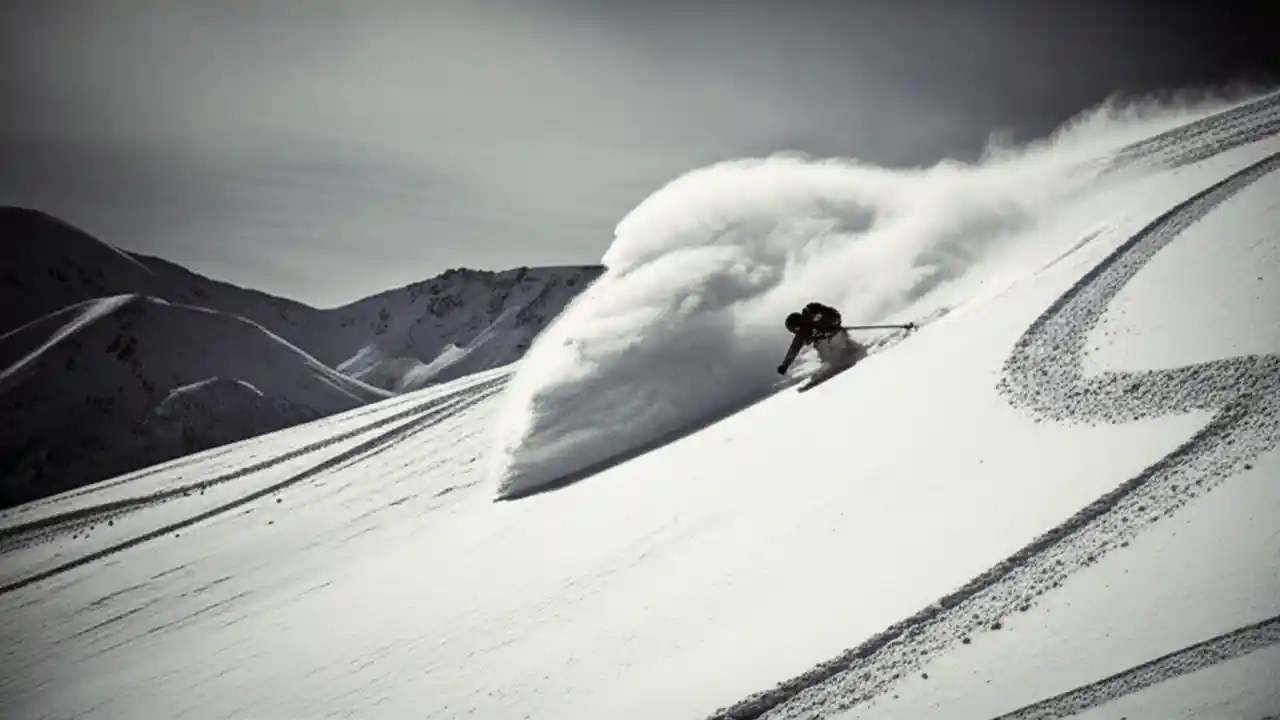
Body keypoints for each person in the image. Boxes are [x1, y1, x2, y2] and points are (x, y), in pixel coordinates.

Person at [777, 302, 868, 374]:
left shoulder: (812, 316)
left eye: (794, 329)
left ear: (797, 325)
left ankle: (849, 354)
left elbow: (832, 314)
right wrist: (785, 365)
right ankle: (832, 362)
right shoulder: (801, 334)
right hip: (828, 341)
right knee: (820, 345)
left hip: (836, 334)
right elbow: (794, 349)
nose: (795, 332)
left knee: (832, 343)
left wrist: (833, 323)